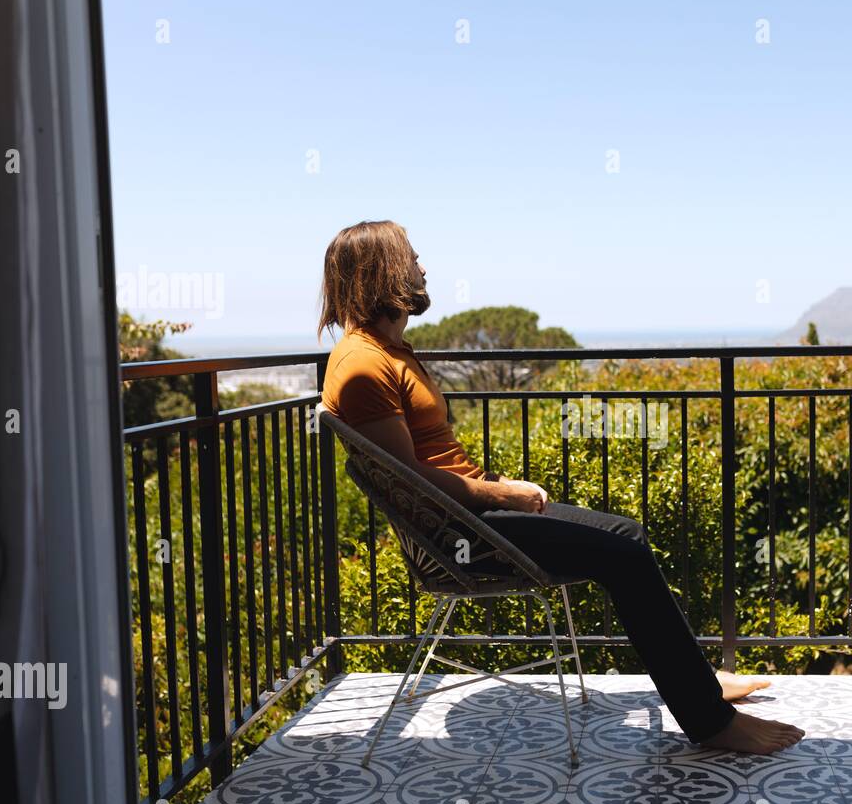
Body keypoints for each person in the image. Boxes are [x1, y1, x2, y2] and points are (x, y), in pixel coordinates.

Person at [318, 220, 804, 754]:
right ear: (381, 271)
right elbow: (411, 481)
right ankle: (711, 723)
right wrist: (503, 494)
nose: (423, 266)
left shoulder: (389, 351)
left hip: (475, 518)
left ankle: (700, 688)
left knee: (627, 536)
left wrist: (498, 488)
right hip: (468, 534)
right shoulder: (363, 366)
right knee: (623, 556)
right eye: (412, 257)